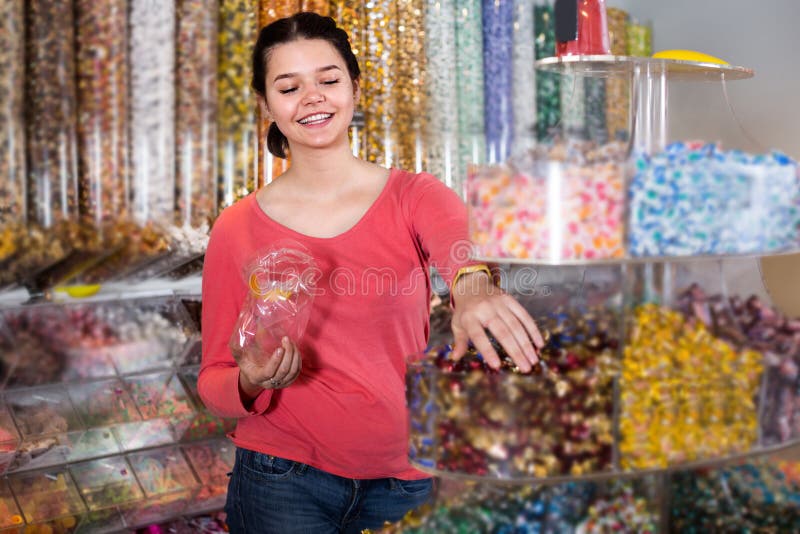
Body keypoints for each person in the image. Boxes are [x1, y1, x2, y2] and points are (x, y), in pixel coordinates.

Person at [198, 11, 544, 533]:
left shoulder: (415, 196)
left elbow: (460, 249)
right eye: (289, 87)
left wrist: (474, 288)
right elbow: (213, 383)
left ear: (355, 89)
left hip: (404, 482)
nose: (312, 98)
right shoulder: (236, 227)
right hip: (280, 478)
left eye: (328, 80)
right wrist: (249, 380)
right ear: (266, 105)